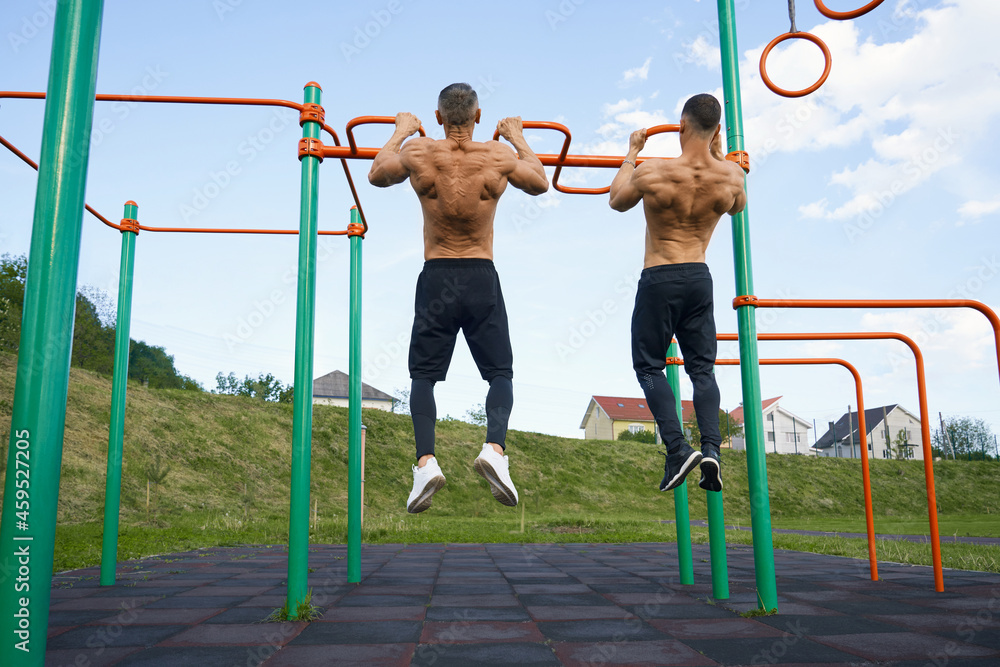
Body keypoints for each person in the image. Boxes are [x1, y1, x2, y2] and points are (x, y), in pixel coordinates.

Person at [369, 83, 549, 513]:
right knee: (499, 373)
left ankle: (425, 463)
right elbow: (540, 182)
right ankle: (495, 449)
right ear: (478, 116)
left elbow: (377, 174)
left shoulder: (419, 151)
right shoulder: (498, 155)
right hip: (480, 275)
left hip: (437, 275)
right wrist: (517, 137)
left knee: (423, 376)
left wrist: (400, 131)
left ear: (438, 117)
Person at [608, 93, 747, 494]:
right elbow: (737, 208)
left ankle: (676, 448)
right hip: (699, 277)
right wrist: (719, 157)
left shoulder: (654, 171)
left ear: (681, 126)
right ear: (716, 131)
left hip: (660, 277)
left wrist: (632, 153)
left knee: (648, 366)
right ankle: (712, 449)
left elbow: (616, 200)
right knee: (702, 370)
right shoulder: (731, 177)